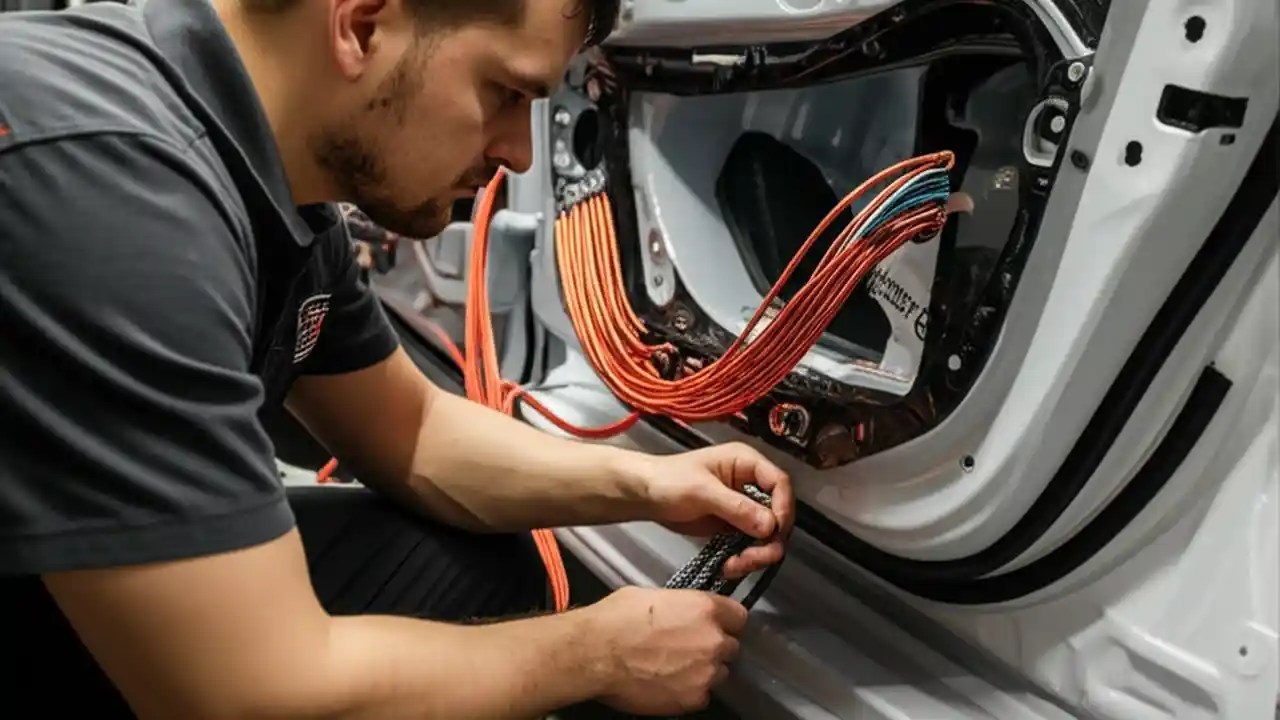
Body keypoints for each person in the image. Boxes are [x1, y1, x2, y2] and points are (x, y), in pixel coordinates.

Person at [0, 0, 796, 717]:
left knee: (464, 572)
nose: (519, 154)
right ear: (362, 25)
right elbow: (243, 696)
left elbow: (413, 433)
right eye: (506, 93)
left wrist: (647, 486)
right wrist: (599, 654)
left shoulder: (280, 191)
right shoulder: (117, 187)